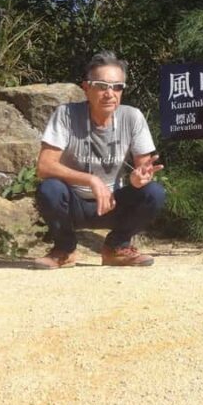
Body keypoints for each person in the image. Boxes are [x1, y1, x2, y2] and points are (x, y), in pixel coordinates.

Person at [33, 51, 165, 269]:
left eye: (117, 87)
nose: (109, 93)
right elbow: (44, 166)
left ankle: (116, 247)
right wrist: (91, 180)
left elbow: (144, 168)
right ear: (86, 88)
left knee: (154, 193)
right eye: (101, 86)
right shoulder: (66, 115)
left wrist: (138, 179)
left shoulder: (132, 117)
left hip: (112, 203)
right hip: (72, 203)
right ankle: (64, 250)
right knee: (50, 189)